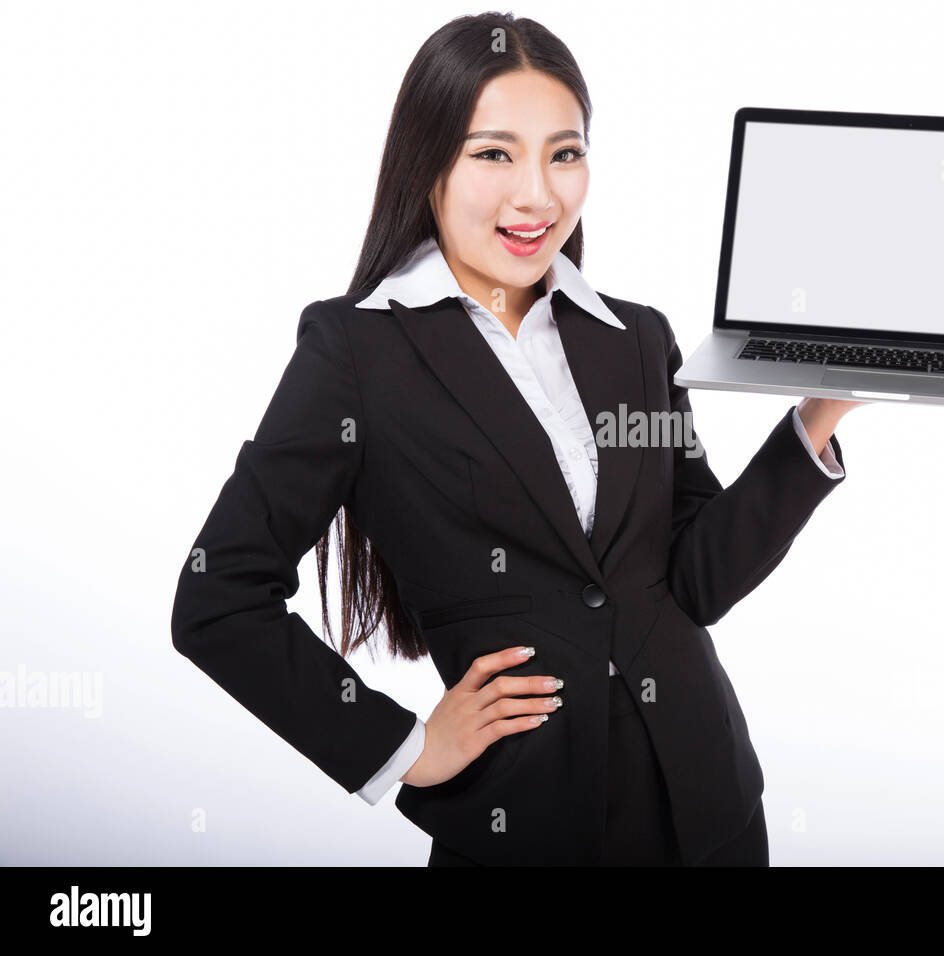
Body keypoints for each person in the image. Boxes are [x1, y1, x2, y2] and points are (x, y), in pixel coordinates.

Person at [171, 11, 867, 867]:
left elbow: (694, 581)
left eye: (564, 154)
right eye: (494, 154)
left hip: (710, 806)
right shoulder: (355, 352)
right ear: (428, 162)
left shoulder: (636, 338)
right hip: (522, 825)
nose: (538, 195)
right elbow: (217, 596)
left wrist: (820, 412)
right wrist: (404, 748)